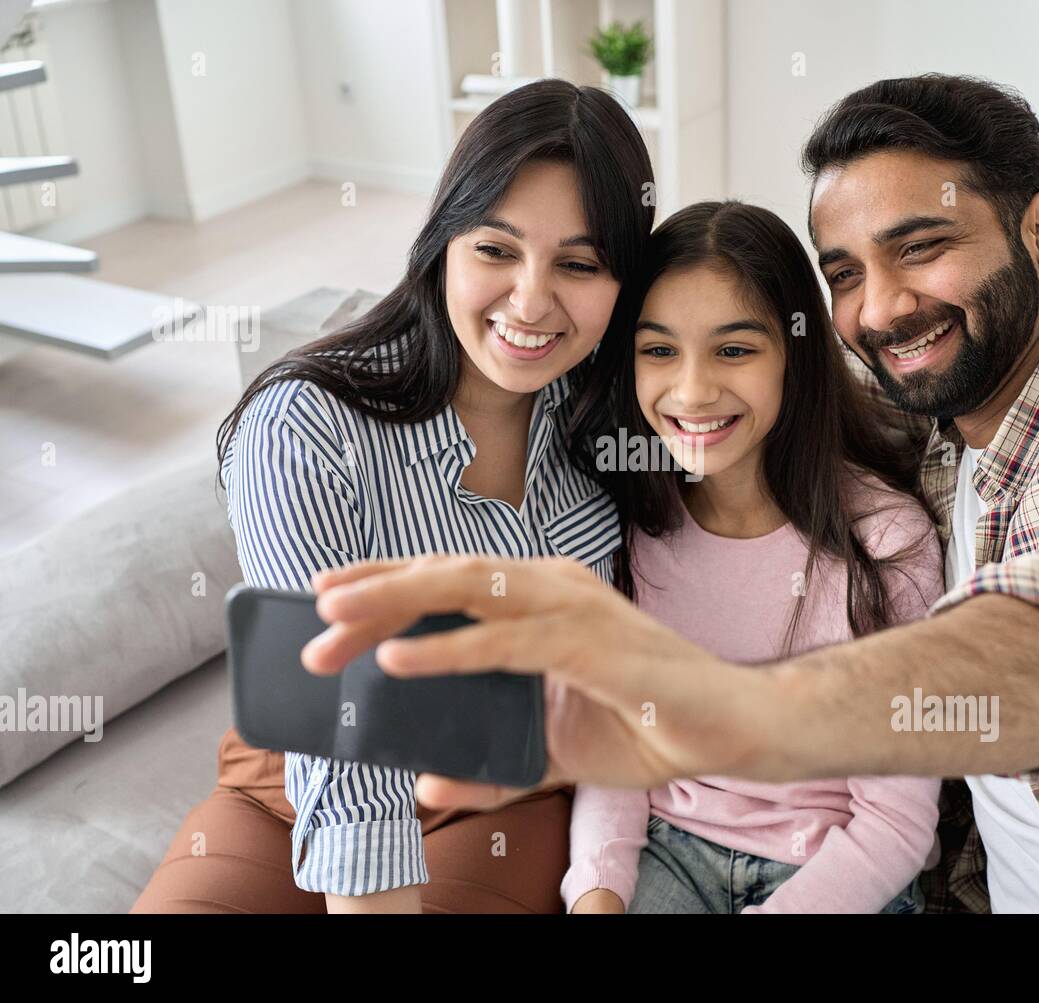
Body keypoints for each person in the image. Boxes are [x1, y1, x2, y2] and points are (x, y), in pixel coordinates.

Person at [302, 74, 1039, 914]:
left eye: (919, 246)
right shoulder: (932, 416)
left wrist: (745, 713)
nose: (881, 305)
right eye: (843, 274)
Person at [132, 79, 655, 913]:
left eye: (580, 264)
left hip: (500, 787)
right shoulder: (304, 424)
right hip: (290, 779)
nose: (531, 299)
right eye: (495, 249)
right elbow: (335, 717)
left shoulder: (626, 421)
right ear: (443, 241)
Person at [561, 201, 942, 914]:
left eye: (735, 349)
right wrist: (597, 890)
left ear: (794, 357)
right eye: (660, 349)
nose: (694, 389)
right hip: (671, 849)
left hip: (839, 869)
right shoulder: (633, 524)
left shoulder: (889, 543)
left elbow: (896, 820)